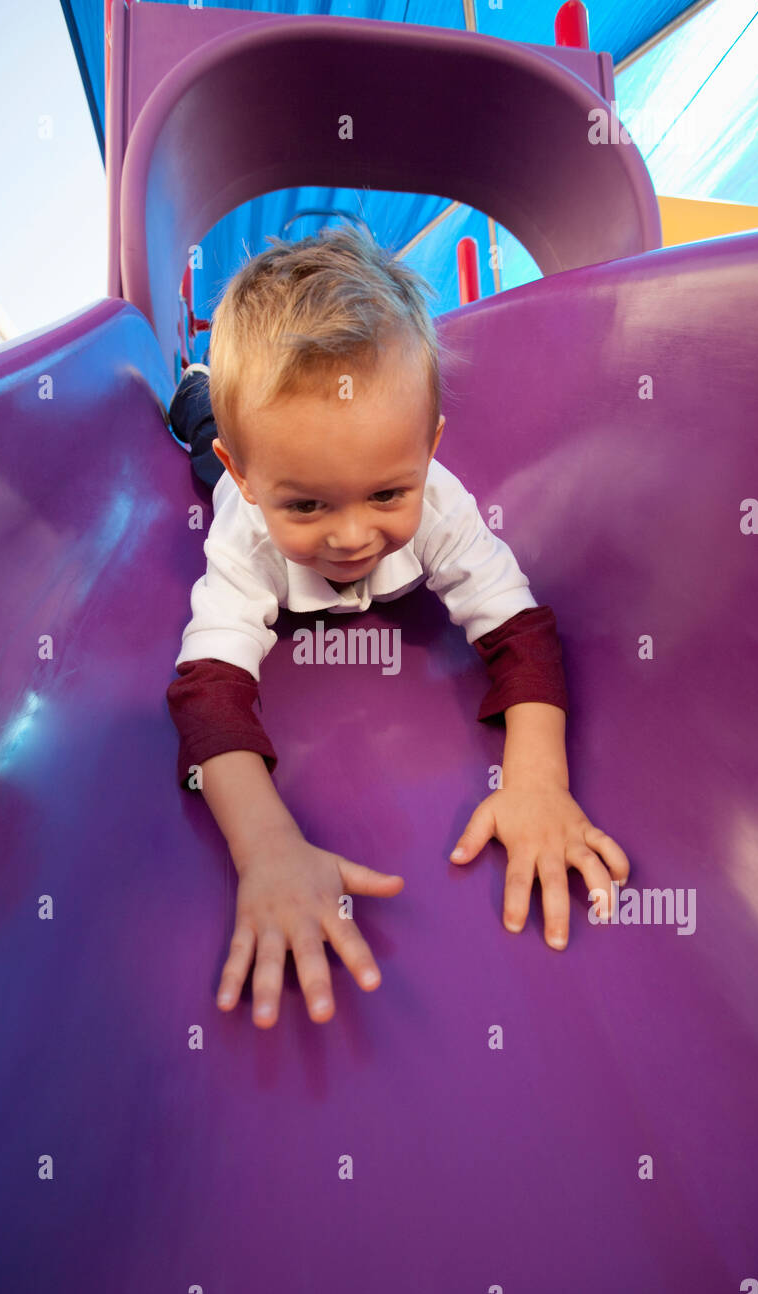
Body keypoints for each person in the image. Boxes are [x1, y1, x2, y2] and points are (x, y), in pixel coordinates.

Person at [166, 224, 630, 1029]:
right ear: (256, 481)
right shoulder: (242, 527)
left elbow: (521, 632)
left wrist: (535, 781)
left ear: (429, 449)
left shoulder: (442, 504)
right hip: (223, 451)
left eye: (387, 493)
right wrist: (266, 846)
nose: (351, 536)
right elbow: (207, 697)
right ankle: (198, 389)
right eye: (306, 503)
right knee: (198, 432)